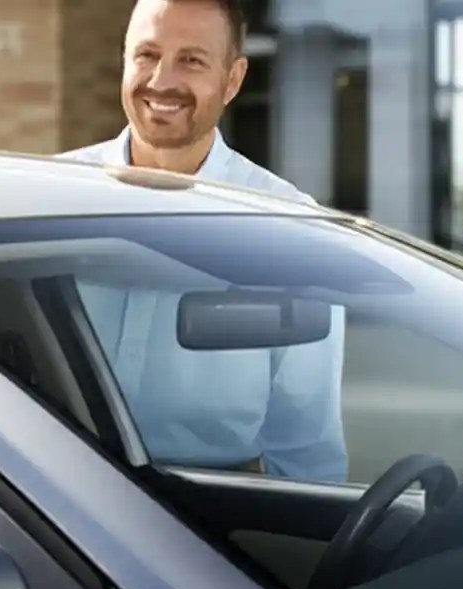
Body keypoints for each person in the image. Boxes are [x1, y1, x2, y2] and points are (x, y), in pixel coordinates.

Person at [60, 0, 347, 482]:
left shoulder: (290, 226)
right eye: (147, 55)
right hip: (44, 494)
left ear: (233, 80)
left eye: (191, 60)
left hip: (208, 520)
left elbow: (306, 445)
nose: (161, 80)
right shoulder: (48, 196)